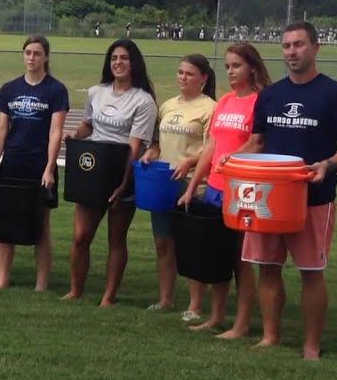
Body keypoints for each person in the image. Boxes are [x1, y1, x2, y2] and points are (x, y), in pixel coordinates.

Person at [227, 22, 337, 360]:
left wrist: (328, 164)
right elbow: (256, 143)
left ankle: (311, 346)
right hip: (267, 199)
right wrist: (231, 159)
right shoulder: (270, 96)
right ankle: (271, 336)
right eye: (287, 45)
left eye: (299, 44)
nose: (292, 52)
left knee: (311, 272)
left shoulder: (336, 95)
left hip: (313, 199)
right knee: (267, 267)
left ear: (315, 48)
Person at [178, 42, 272, 337]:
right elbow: (212, 146)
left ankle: (241, 324)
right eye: (228, 66)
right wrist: (193, 185)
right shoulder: (226, 102)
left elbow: (256, 143)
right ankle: (217, 317)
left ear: (252, 68)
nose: (231, 71)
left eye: (237, 66)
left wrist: (233, 159)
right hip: (216, 188)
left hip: (244, 190)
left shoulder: (260, 101)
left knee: (241, 259)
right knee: (218, 254)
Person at [62, 39, 157, 306]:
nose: (118, 62)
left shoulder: (143, 101)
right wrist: (75, 134)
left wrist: (122, 184)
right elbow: (87, 126)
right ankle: (75, 289)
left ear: (134, 62)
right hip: (92, 173)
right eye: (114, 57)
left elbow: (134, 147)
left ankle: (108, 296)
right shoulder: (96, 92)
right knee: (81, 237)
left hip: (122, 177)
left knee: (116, 239)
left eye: (124, 58)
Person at [0, 35, 69, 291]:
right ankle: (2, 279)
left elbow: (56, 131)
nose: (32, 58)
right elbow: (1, 129)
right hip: (12, 163)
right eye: (28, 53)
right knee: (4, 220)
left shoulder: (56, 90)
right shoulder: (10, 89)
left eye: (37, 53)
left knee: (41, 224)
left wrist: (49, 167)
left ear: (46, 57)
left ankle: (41, 284)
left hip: (39, 166)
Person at [141, 54, 216, 319]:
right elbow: (158, 142)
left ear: (204, 79)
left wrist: (190, 163)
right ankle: (165, 299)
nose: (183, 77)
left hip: (193, 186)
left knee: (192, 246)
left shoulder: (210, 108)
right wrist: (152, 153)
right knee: (163, 243)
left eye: (190, 74)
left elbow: (211, 150)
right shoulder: (168, 106)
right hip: (163, 185)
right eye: (180, 72)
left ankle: (195, 305)